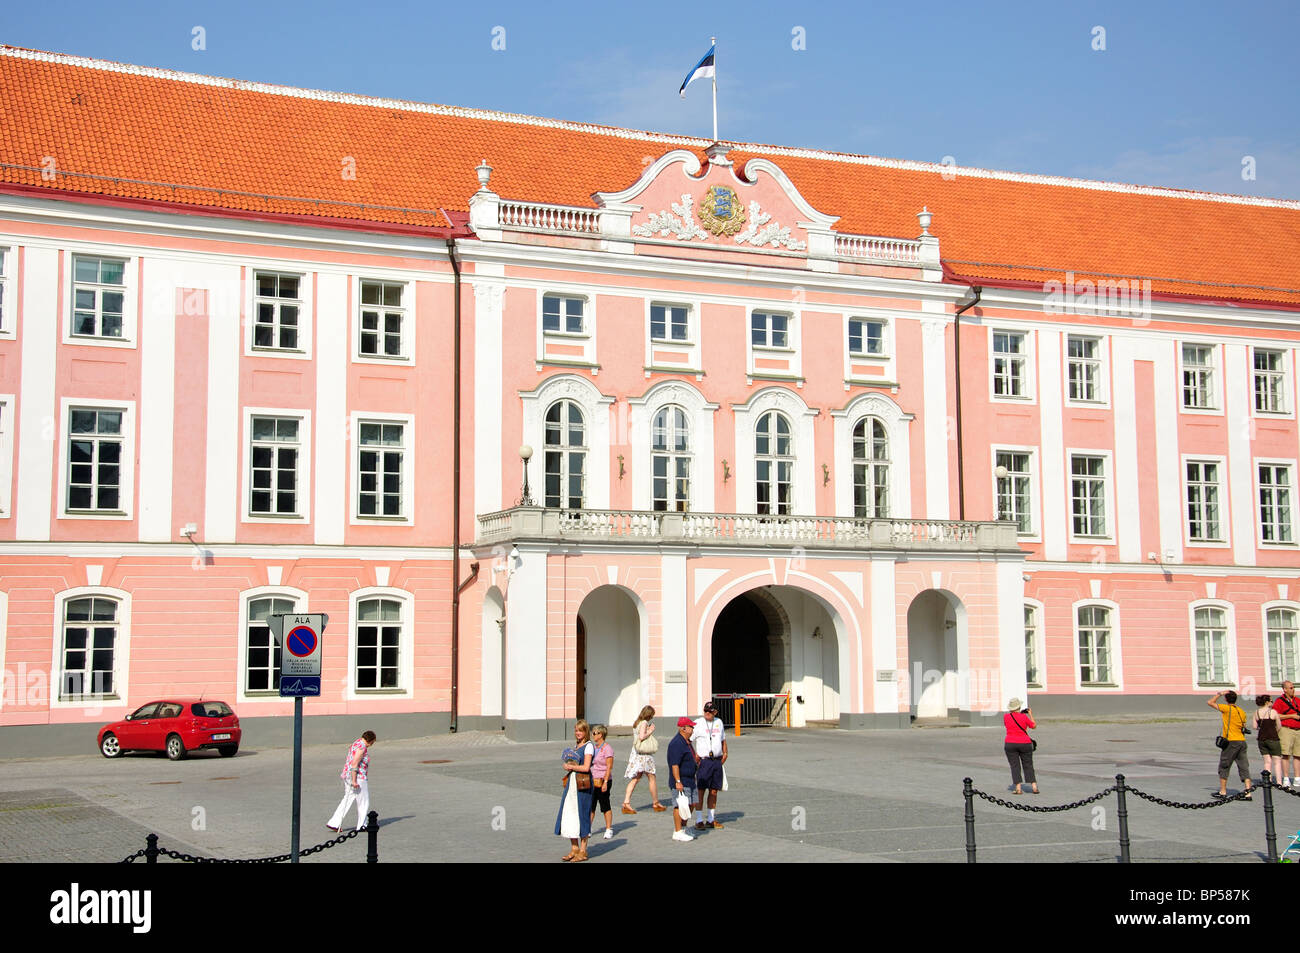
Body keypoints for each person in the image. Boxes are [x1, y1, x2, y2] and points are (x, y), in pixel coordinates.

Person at [555, 719, 595, 861]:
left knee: (582, 814)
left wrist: (571, 767)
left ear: (586, 732)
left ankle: (583, 851)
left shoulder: (589, 746)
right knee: (569, 812)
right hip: (572, 783)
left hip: (583, 783)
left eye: (581, 730)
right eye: (576, 730)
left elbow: (586, 767)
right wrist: (568, 765)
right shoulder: (577, 745)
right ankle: (574, 848)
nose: (578, 733)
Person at [327, 730, 376, 832]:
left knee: (347, 799)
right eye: (372, 742)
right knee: (363, 801)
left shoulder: (356, 743)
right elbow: (355, 764)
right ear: (370, 741)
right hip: (358, 777)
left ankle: (334, 822)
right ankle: (362, 825)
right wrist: (354, 781)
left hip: (347, 774)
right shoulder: (362, 747)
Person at [1209, 690, 1253, 801]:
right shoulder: (1241, 711)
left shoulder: (1227, 709)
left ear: (1226, 699)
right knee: (1244, 766)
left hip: (1231, 741)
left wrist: (1219, 694)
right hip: (1241, 741)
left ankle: (1223, 791)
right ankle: (1248, 792)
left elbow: (1210, 702)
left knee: (1224, 766)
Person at [622, 705, 665, 813]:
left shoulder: (636, 722)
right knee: (651, 777)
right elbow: (642, 737)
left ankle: (626, 802)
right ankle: (655, 803)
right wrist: (650, 731)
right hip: (644, 754)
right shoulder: (644, 723)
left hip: (637, 753)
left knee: (636, 778)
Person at [692, 702, 727, 829]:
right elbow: (688, 739)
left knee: (714, 791)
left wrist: (725, 752)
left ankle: (711, 819)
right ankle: (699, 820)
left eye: (710, 711)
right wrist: (694, 755)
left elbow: (723, 739)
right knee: (701, 790)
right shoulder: (698, 723)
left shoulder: (719, 722)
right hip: (704, 761)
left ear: (715, 712)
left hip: (717, 761)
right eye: (705, 710)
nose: (707, 713)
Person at [666, 717, 697, 842]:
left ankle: (683, 827)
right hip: (681, 780)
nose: (693, 728)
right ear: (683, 728)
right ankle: (677, 831)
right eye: (691, 726)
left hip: (690, 779)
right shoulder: (676, 743)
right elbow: (675, 764)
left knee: (692, 803)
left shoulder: (686, 741)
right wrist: (678, 781)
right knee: (679, 805)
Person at [1003, 698, 1038, 795]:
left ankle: (1018, 788)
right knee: (1028, 765)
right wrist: (1030, 714)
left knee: (1015, 766)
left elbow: (1007, 725)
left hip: (1010, 743)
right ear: (1019, 707)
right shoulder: (1024, 717)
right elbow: (1034, 726)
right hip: (1025, 743)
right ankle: (1034, 786)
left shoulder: (1006, 717)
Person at [589, 724, 616, 840]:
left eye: (595, 733)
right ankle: (588, 828)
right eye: (593, 733)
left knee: (605, 805)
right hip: (593, 779)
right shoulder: (594, 748)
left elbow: (609, 767)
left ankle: (609, 828)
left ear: (601, 734)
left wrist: (605, 782)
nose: (593, 735)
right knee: (591, 806)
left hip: (603, 780)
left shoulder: (607, 748)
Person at [1272, 682, 1300, 786]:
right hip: (1286, 729)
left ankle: (1297, 777)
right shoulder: (1280, 701)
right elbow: (1276, 715)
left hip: (1298, 730)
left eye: (1293, 688)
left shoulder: (1297, 701)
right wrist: (1292, 716)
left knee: (1298, 755)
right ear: (1285, 689)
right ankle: (1286, 778)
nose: (1293, 690)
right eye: (1291, 688)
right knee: (1286, 754)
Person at [1255, 694, 1282, 784]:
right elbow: (1279, 726)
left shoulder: (1257, 712)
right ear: (1267, 702)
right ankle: (1279, 782)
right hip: (1273, 738)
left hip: (1261, 739)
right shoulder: (1273, 712)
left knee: (1267, 761)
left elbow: (1255, 726)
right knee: (1277, 761)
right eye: (1271, 701)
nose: (1272, 702)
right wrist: (1275, 731)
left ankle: (1268, 780)